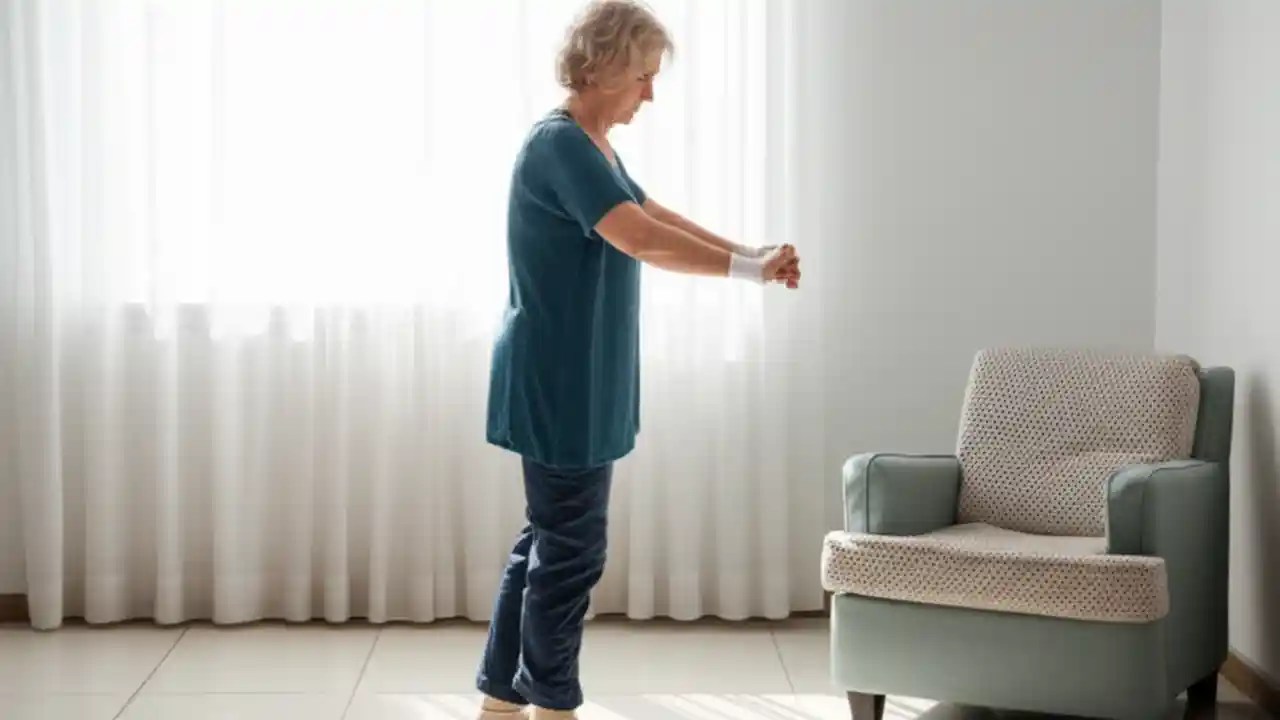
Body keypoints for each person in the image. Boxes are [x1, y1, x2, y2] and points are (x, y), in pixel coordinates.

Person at [475, 2, 801, 718]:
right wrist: (745, 273)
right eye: (643, 77)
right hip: (559, 379)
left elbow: (659, 218)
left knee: (547, 540)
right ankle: (554, 705)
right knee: (571, 552)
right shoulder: (559, 145)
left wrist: (754, 256)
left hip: (579, 376)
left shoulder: (593, 148)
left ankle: (502, 705)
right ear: (601, 68)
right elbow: (640, 240)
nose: (650, 94)